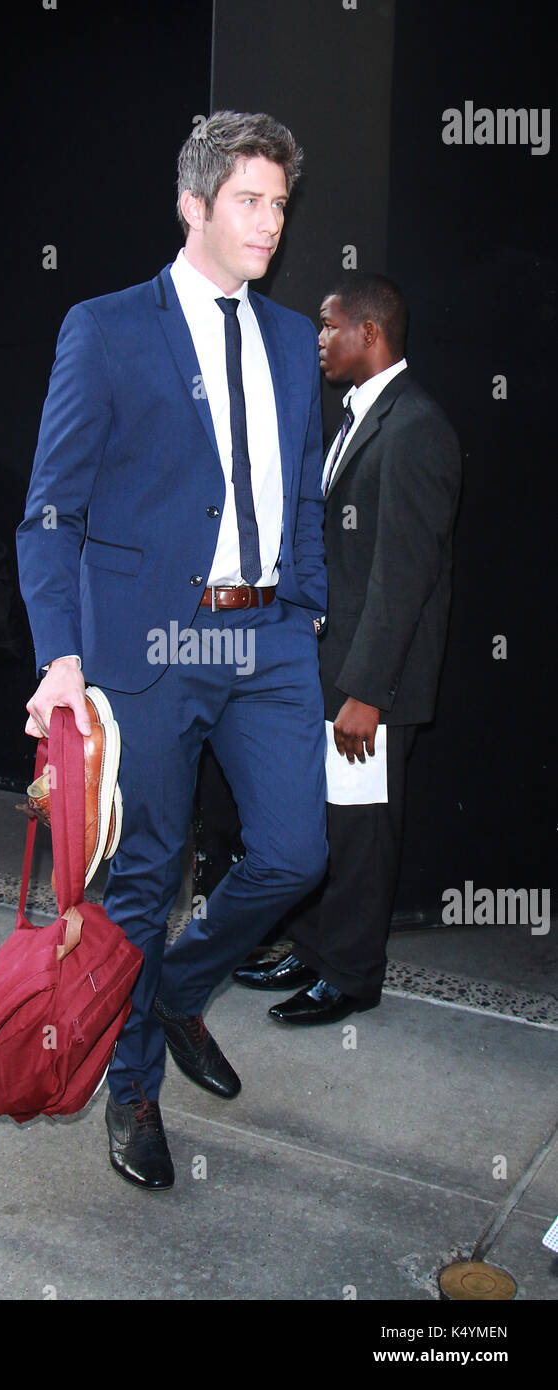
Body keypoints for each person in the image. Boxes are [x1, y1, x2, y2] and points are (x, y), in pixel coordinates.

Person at [17, 110, 329, 1190]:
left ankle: (174, 989)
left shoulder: (294, 340)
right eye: (250, 199)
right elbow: (49, 510)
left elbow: (299, 497)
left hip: (270, 634)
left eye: (281, 203)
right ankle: (135, 1083)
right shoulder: (106, 328)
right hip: (151, 639)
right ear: (193, 206)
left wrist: (310, 608)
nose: (271, 222)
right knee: (144, 879)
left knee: (296, 853)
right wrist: (60, 654)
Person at [234, 275, 462, 1021]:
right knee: (318, 821)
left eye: (329, 327)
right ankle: (310, 947)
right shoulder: (358, 418)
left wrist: (368, 692)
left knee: (362, 834)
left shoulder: (415, 424)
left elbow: (405, 577)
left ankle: (354, 975)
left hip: (372, 687)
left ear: (371, 332)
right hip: (328, 673)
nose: (319, 339)